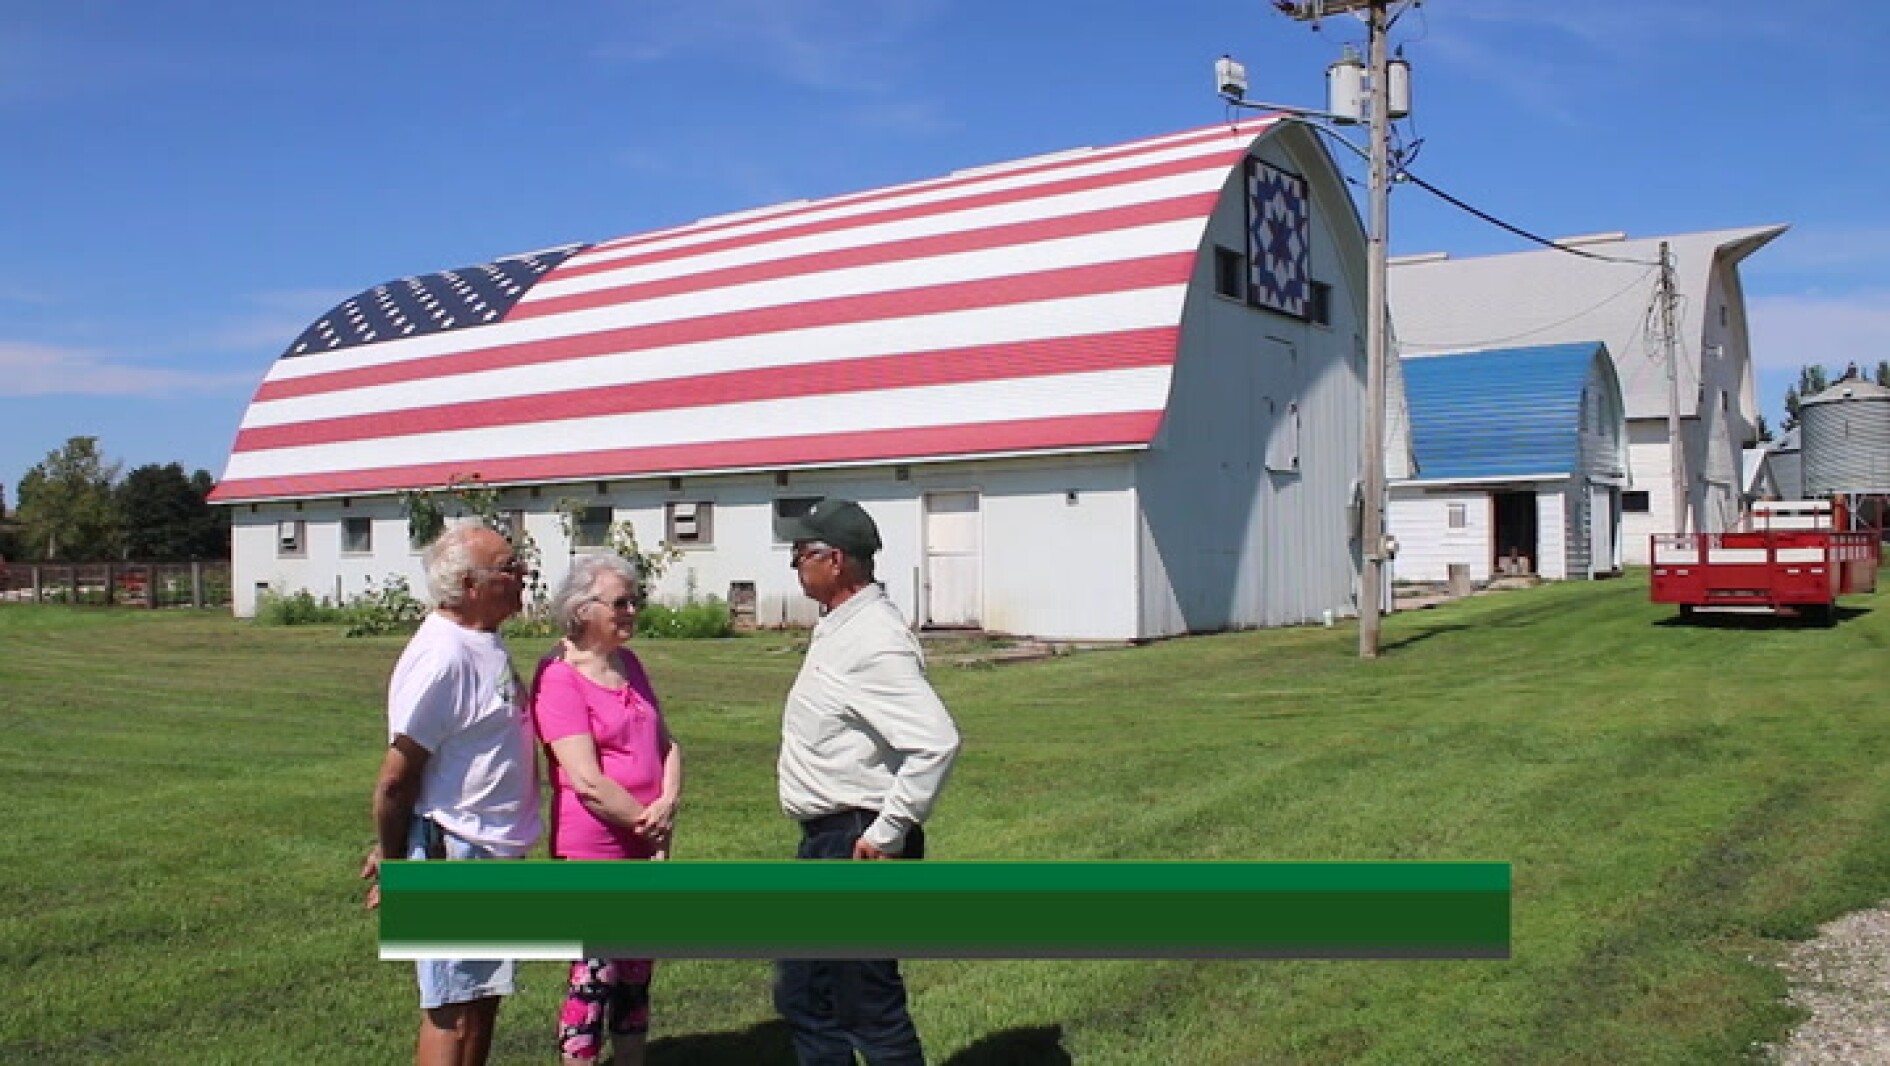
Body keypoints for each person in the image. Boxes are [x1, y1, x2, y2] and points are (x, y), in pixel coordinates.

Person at [772, 497, 962, 1066]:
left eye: (801, 553)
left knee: (865, 1005)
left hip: (856, 841)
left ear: (837, 562)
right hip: (831, 838)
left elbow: (936, 740)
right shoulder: (841, 626)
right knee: (808, 995)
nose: (794, 564)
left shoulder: (874, 639)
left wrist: (889, 831)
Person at [360, 523, 543, 1066]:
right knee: (452, 1012)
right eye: (508, 567)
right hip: (456, 849)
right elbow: (395, 778)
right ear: (469, 584)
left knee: (483, 1001)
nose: (522, 575)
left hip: (493, 849)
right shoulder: (443, 657)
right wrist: (398, 867)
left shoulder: (482, 638)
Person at [530, 554, 683, 1066]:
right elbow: (588, 781)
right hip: (595, 849)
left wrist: (666, 805)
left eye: (633, 600)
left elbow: (666, 744)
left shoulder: (628, 664)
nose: (631, 610)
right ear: (583, 609)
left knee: (637, 974)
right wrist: (650, 822)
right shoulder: (559, 677)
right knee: (597, 976)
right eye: (621, 602)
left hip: (646, 843)